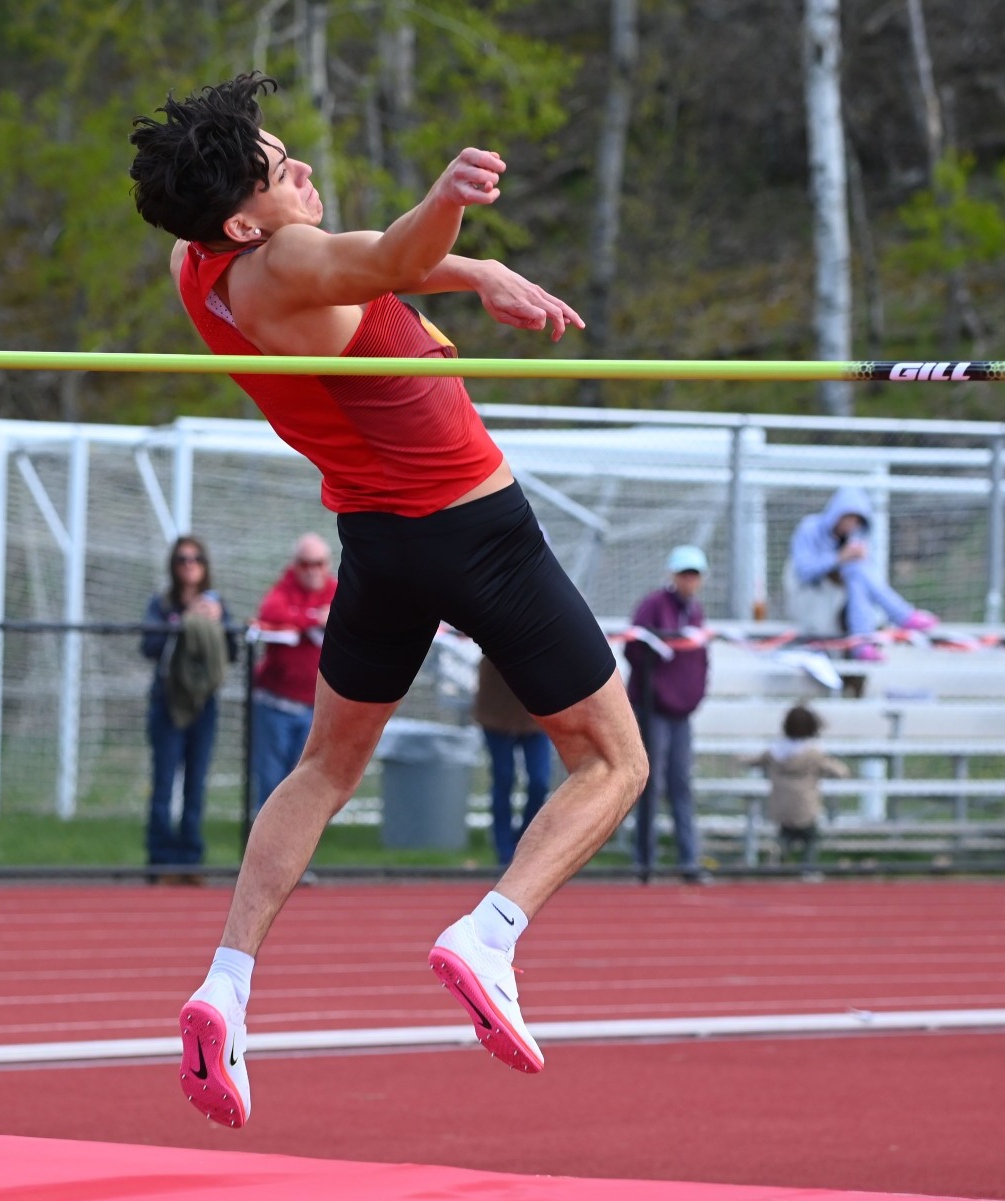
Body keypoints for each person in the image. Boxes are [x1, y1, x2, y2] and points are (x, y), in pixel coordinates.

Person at [130, 71, 646, 1128]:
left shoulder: (199, 263)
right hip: (474, 533)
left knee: (326, 766)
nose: (304, 171)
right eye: (281, 171)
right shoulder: (284, 265)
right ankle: (490, 933)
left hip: (376, 537)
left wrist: (478, 271)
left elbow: (376, 266)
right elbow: (391, 257)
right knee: (613, 760)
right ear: (244, 222)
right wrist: (451, 203)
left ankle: (225, 984)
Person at [141, 535, 235, 882]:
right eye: (182, 559)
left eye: (196, 559)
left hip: (203, 704)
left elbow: (232, 652)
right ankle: (161, 862)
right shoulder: (162, 604)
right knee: (164, 783)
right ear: (174, 565)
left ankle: (190, 860)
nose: (189, 565)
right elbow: (148, 646)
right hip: (168, 702)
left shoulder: (216, 603)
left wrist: (218, 621)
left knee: (195, 784)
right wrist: (182, 621)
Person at [626, 544, 713, 885]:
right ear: (673, 575)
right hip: (653, 710)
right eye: (685, 574)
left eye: (695, 574)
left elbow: (700, 658)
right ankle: (644, 862)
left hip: (682, 713)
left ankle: (689, 860)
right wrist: (657, 685)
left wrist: (694, 694)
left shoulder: (697, 612)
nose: (690, 580)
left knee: (681, 785)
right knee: (651, 784)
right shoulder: (652, 605)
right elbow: (634, 648)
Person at [787, 485, 938, 658]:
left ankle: (864, 641)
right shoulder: (810, 527)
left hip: (844, 601)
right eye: (849, 518)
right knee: (857, 571)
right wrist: (838, 558)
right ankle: (901, 616)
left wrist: (861, 558)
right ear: (837, 513)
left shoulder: (853, 537)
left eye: (857, 521)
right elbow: (803, 572)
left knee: (858, 572)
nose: (852, 525)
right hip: (811, 598)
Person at [248, 534, 336, 821]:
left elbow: (354, 616)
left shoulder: (336, 589)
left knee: (307, 786)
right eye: (305, 564)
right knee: (271, 784)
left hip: (316, 709)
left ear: (327, 564)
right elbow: (271, 612)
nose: (312, 570)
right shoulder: (283, 589)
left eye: (318, 563)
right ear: (295, 565)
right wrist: (313, 618)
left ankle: (299, 849)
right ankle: (264, 848)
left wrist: (306, 619)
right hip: (275, 705)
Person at [474, 656, 552, 866]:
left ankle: (524, 842)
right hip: (496, 711)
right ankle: (505, 852)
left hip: (537, 714)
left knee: (539, 781)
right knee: (504, 779)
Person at [764, 703, 850, 877]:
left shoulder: (776, 751)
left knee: (785, 835)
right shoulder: (812, 753)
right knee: (810, 838)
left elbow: (755, 760)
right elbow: (837, 770)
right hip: (805, 804)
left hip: (781, 804)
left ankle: (776, 864)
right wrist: (842, 771)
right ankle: (807, 868)